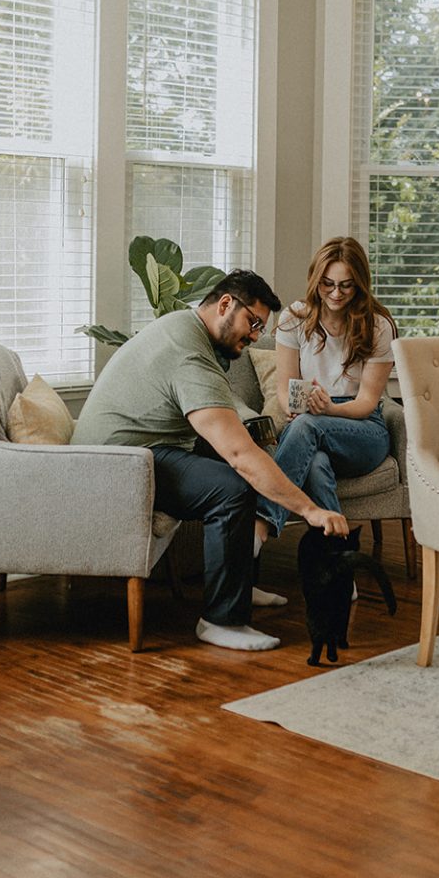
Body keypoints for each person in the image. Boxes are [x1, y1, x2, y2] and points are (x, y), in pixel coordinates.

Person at [72, 270, 348, 651]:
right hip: (116, 468)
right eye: (253, 323)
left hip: (142, 451)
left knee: (246, 460)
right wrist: (310, 510)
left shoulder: (186, 330)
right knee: (234, 485)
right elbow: (237, 455)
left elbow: (220, 421)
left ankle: (239, 587)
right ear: (224, 305)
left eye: (260, 328)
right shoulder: (189, 352)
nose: (254, 336)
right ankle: (222, 620)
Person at [258, 237, 396, 536]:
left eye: (346, 285)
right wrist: (294, 408)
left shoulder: (379, 325)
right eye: (327, 284)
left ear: (360, 283)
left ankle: (262, 525)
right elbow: (285, 389)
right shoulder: (295, 318)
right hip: (310, 425)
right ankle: (339, 569)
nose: (336, 293)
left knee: (308, 425)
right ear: (315, 280)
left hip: (364, 431)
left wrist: (329, 409)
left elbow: (368, 402)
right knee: (317, 466)